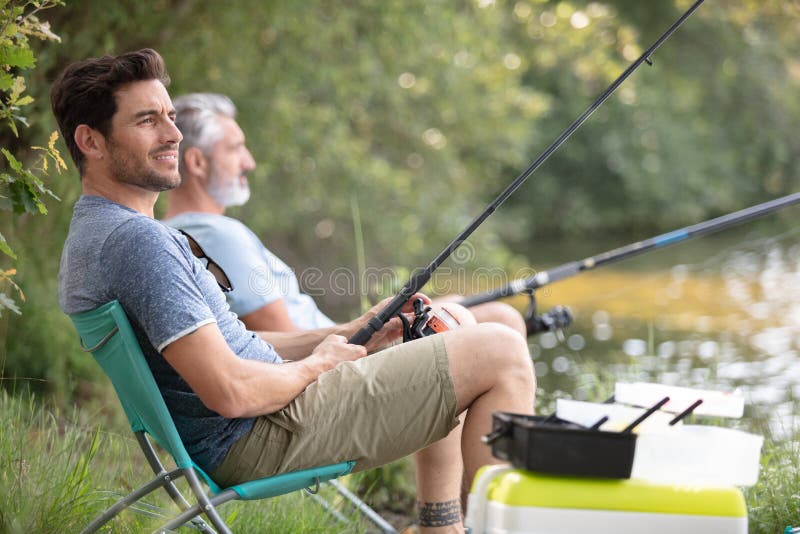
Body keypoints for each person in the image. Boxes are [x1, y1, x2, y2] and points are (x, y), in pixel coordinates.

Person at [53, 49, 535, 532]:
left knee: (451, 326)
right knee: (500, 349)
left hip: (261, 419)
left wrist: (352, 331)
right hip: (262, 432)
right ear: (90, 141)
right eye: (147, 120)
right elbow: (231, 392)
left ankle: (441, 526)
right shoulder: (138, 242)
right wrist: (319, 364)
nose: (173, 134)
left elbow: (226, 351)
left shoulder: (101, 234)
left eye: (171, 117)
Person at [161, 92, 527, 336]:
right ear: (196, 162)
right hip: (329, 373)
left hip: (332, 349)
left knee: (459, 311)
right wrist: (371, 330)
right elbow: (286, 341)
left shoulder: (180, 233)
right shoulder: (218, 235)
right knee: (499, 322)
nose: (249, 162)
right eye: (236, 148)